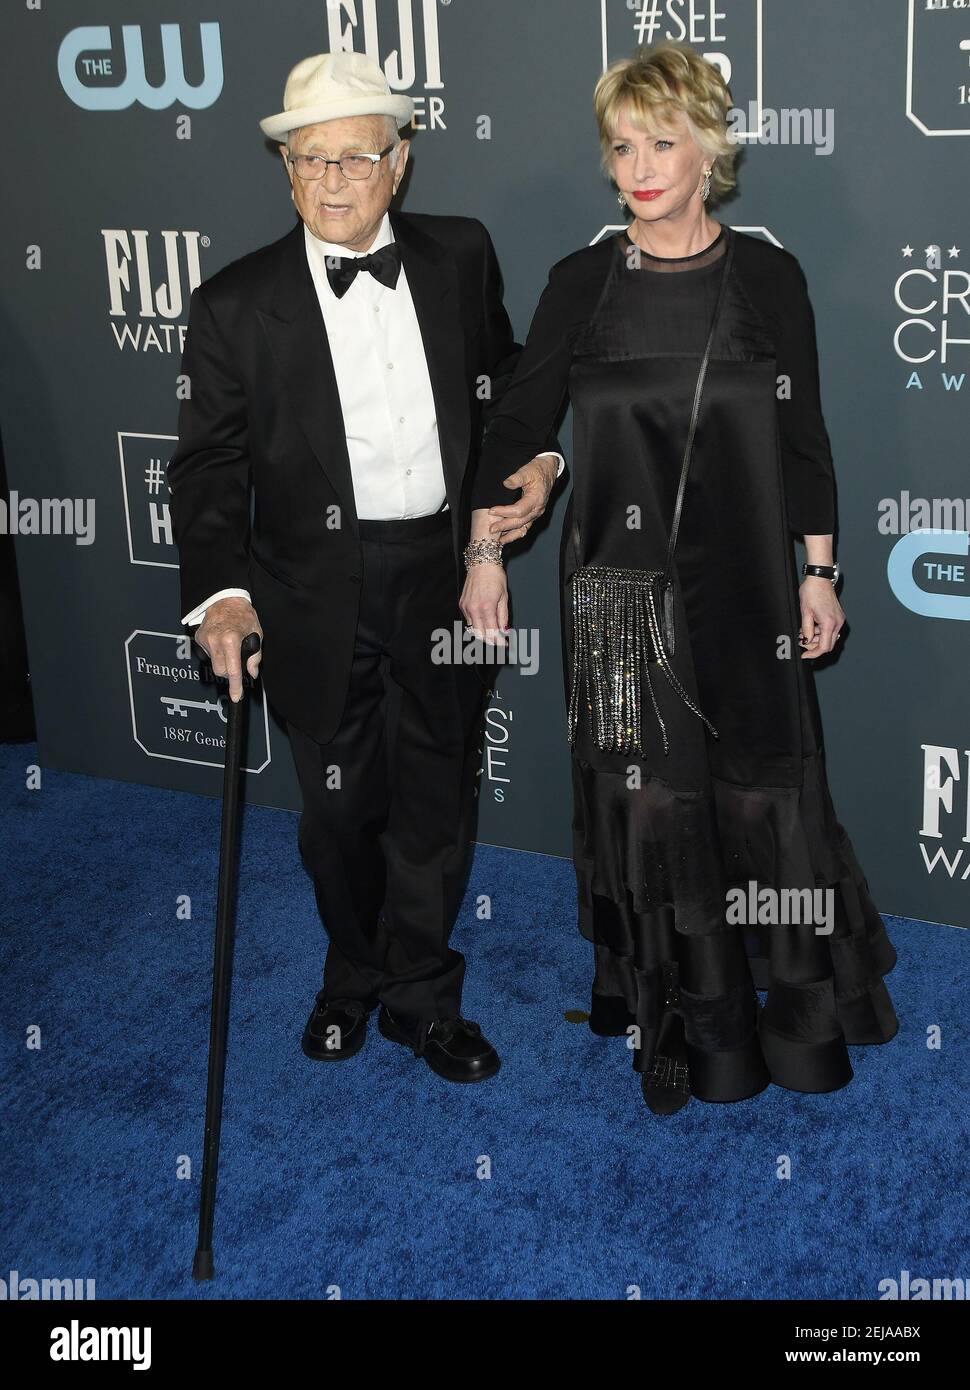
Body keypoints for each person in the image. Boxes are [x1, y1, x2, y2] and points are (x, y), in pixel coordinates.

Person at [462, 41, 898, 1115]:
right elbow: (514, 424)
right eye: (622, 145)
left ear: (712, 149)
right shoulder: (580, 282)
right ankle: (679, 1020)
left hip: (750, 584)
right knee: (651, 813)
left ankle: (793, 1018)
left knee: (764, 794)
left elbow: (805, 437)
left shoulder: (767, 275)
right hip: (616, 599)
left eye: (663, 140)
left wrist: (821, 571)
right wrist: (485, 543)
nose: (641, 165)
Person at [168, 52, 561, 1084]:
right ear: (286, 171)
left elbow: (505, 375)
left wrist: (540, 456)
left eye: (355, 158)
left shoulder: (458, 256)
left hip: (438, 567)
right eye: (309, 160)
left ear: (401, 164)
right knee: (339, 811)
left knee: (434, 800)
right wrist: (222, 594)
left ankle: (424, 997)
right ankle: (353, 974)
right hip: (309, 589)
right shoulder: (234, 306)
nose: (332, 181)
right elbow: (207, 466)